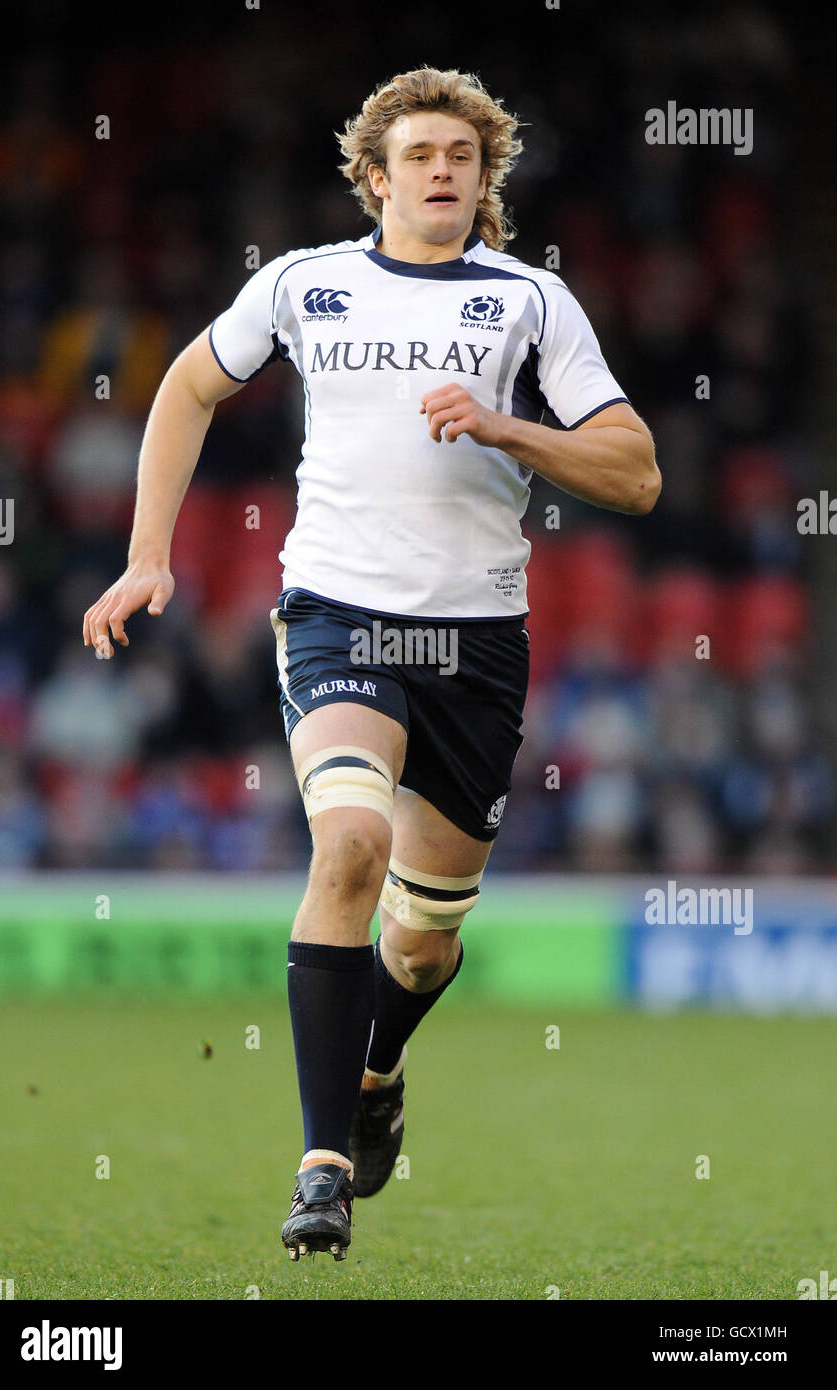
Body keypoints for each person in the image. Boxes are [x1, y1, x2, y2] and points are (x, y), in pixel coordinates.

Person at [82, 66, 660, 1263]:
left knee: (424, 941)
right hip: (337, 614)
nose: (442, 169)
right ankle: (321, 1165)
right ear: (377, 176)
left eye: (462, 154)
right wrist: (147, 555)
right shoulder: (304, 284)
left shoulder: (531, 303)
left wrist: (509, 426)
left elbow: (636, 472)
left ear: (483, 175)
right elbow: (187, 387)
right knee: (348, 845)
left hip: (475, 644)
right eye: (420, 154)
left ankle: (381, 1065)